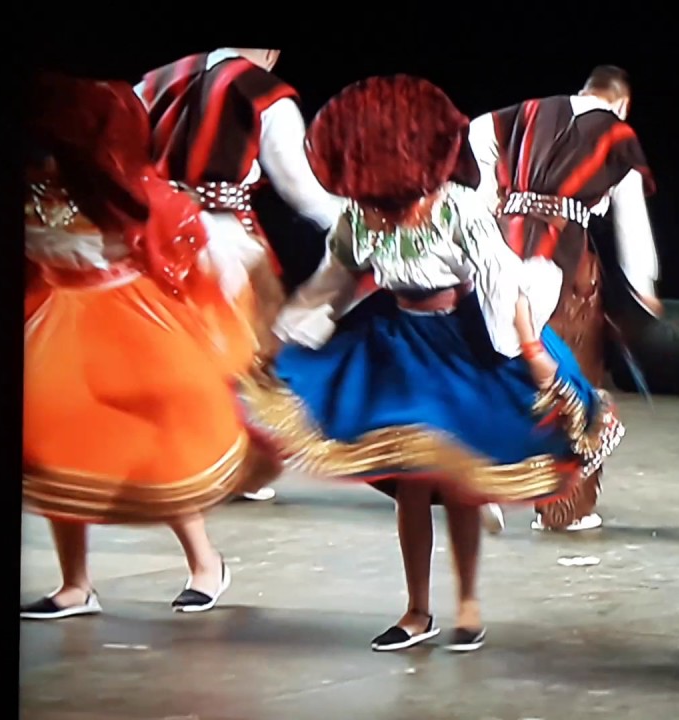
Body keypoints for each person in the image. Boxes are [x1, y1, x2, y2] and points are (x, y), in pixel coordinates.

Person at [237, 75, 623, 651]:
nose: (387, 217)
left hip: (461, 345)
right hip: (396, 347)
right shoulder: (361, 216)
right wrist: (288, 333)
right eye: (377, 204)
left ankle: (467, 604)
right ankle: (417, 609)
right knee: (413, 482)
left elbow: (504, 286)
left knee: (459, 479)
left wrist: (534, 355)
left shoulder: (461, 210)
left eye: (397, 204)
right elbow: (334, 280)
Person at [21, 74, 281, 621]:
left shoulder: (138, 196)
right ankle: (75, 584)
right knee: (53, 448)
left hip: (131, 323)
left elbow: (193, 255)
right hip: (58, 324)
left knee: (161, 445)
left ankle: (205, 563)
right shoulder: (32, 190)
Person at [136, 48, 344, 503]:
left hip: (149, 235)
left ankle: (181, 463)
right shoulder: (262, 91)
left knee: (175, 351)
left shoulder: (157, 78)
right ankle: (221, 466)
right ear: (272, 51)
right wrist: (361, 223)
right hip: (218, 241)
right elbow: (302, 191)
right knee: (239, 354)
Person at [464, 64, 661, 533]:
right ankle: (562, 507)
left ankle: (478, 481)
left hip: (504, 243)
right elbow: (631, 217)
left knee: (501, 359)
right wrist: (643, 284)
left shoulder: (531, 110)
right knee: (573, 367)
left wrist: (491, 190)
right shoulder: (617, 133)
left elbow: (474, 130)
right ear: (622, 103)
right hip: (564, 257)